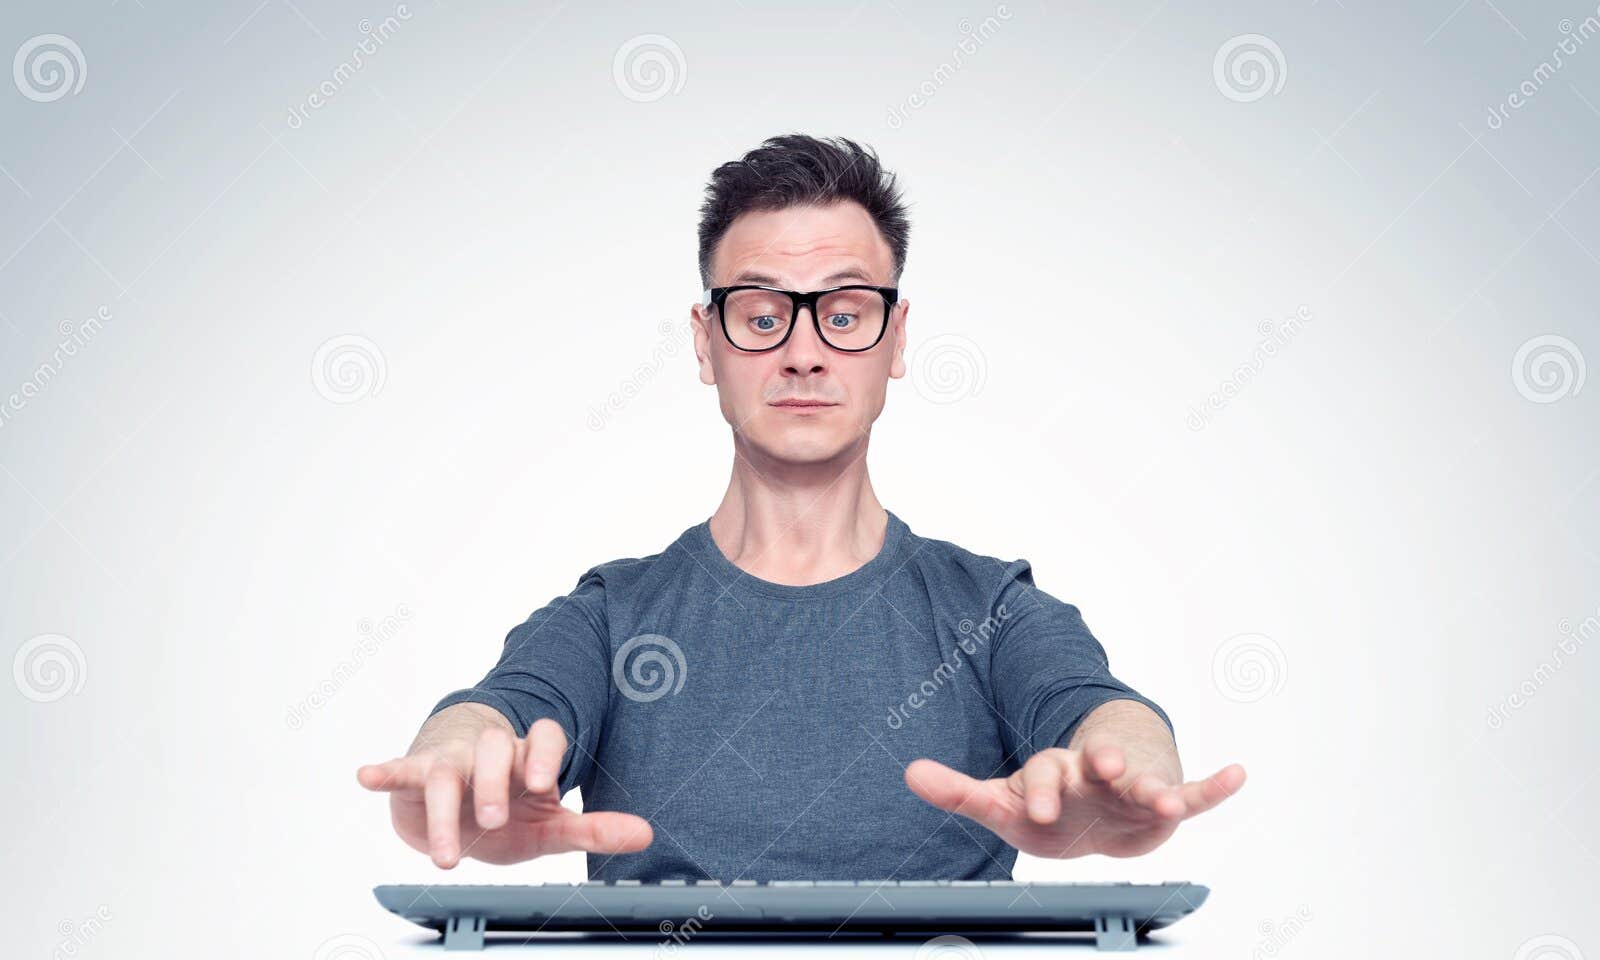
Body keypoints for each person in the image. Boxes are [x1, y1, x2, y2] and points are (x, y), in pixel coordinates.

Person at [357, 134, 1245, 881]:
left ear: (895, 341)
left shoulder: (994, 611)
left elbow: (1099, 710)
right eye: (760, 313)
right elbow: (497, 709)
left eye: (846, 314)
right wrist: (453, 762)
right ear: (707, 344)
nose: (805, 353)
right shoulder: (610, 620)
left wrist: (1129, 773)